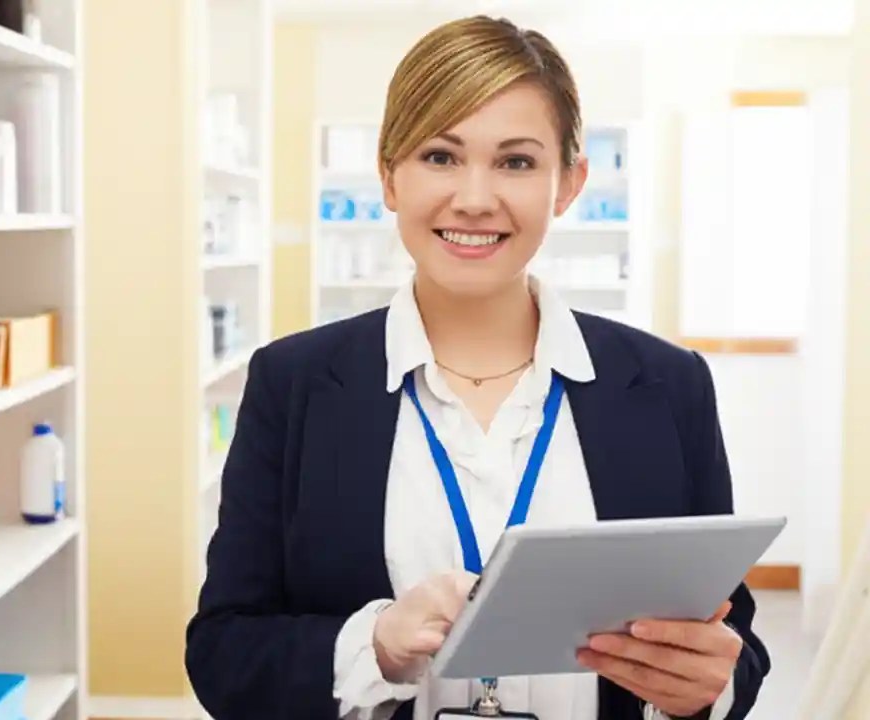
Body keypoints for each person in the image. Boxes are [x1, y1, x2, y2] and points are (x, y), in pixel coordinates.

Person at [185, 14, 769, 720]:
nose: (473, 198)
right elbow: (223, 653)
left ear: (568, 184)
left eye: (516, 162)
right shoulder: (293, 385)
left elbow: (732, 639)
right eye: (440, 155)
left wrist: (708, 689)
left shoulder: (669, 387)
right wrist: (374, 647)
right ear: (389, 176)